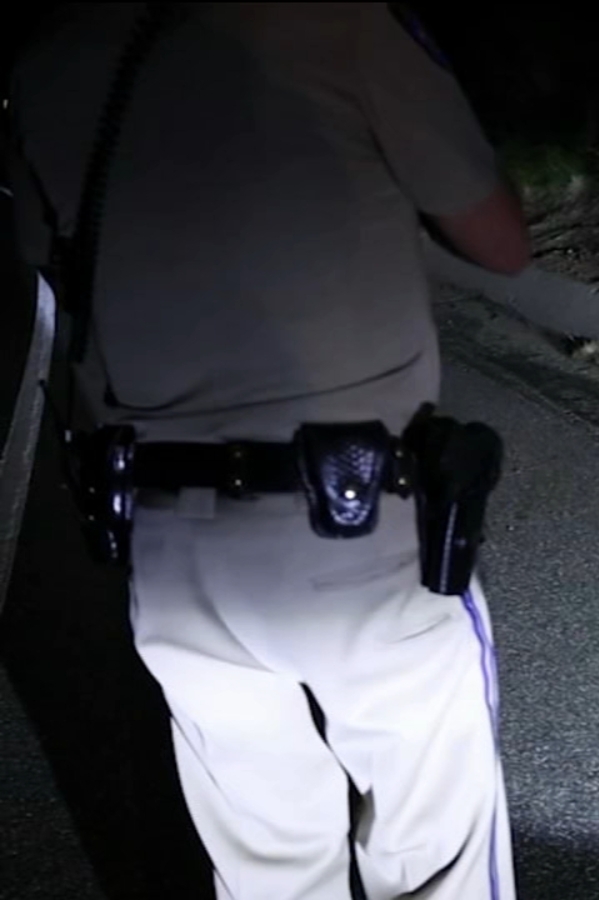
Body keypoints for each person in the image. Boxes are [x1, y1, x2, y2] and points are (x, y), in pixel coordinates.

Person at [5, 3, 530, 898]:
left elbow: (45, 263)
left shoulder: (48, 65)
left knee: (271, 866)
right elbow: (502, 243)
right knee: (437, 851)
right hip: (360, 526)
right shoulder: (337, 21)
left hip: (171, 545)